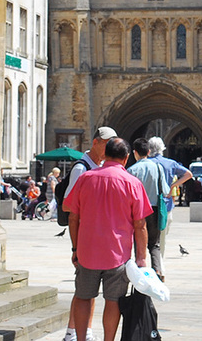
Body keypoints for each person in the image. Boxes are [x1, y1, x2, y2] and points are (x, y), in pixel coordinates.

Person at [65, 137, 151, 341]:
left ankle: (80, 339)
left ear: (105, 155)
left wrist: (75, 248)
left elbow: (72, 216)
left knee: (83, 297)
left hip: (88, 252)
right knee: (113, 301)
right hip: (118, 255)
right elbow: (140, 225)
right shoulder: (133, 183)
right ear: (127, 158)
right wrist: (141, 258)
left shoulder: (86, 178)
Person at [127, 138, 168, 278]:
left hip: (138, 211)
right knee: (154, 244)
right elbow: (166, 190)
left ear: (135, 153)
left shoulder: (131, 170)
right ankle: (157, 270)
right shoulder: (158, 167)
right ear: (149, 152)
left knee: (138, 242)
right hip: (155, 209)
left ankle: (140, 272)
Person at [147, 136, 191, 258]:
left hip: (147, 205)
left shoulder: (145, 163)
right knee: (161, 238)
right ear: (162, 149)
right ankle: (159, 262)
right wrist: (173, 185)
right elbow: (188, 174)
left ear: (148, 149)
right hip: (165, 206)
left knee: (145, 236)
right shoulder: (170, 163)